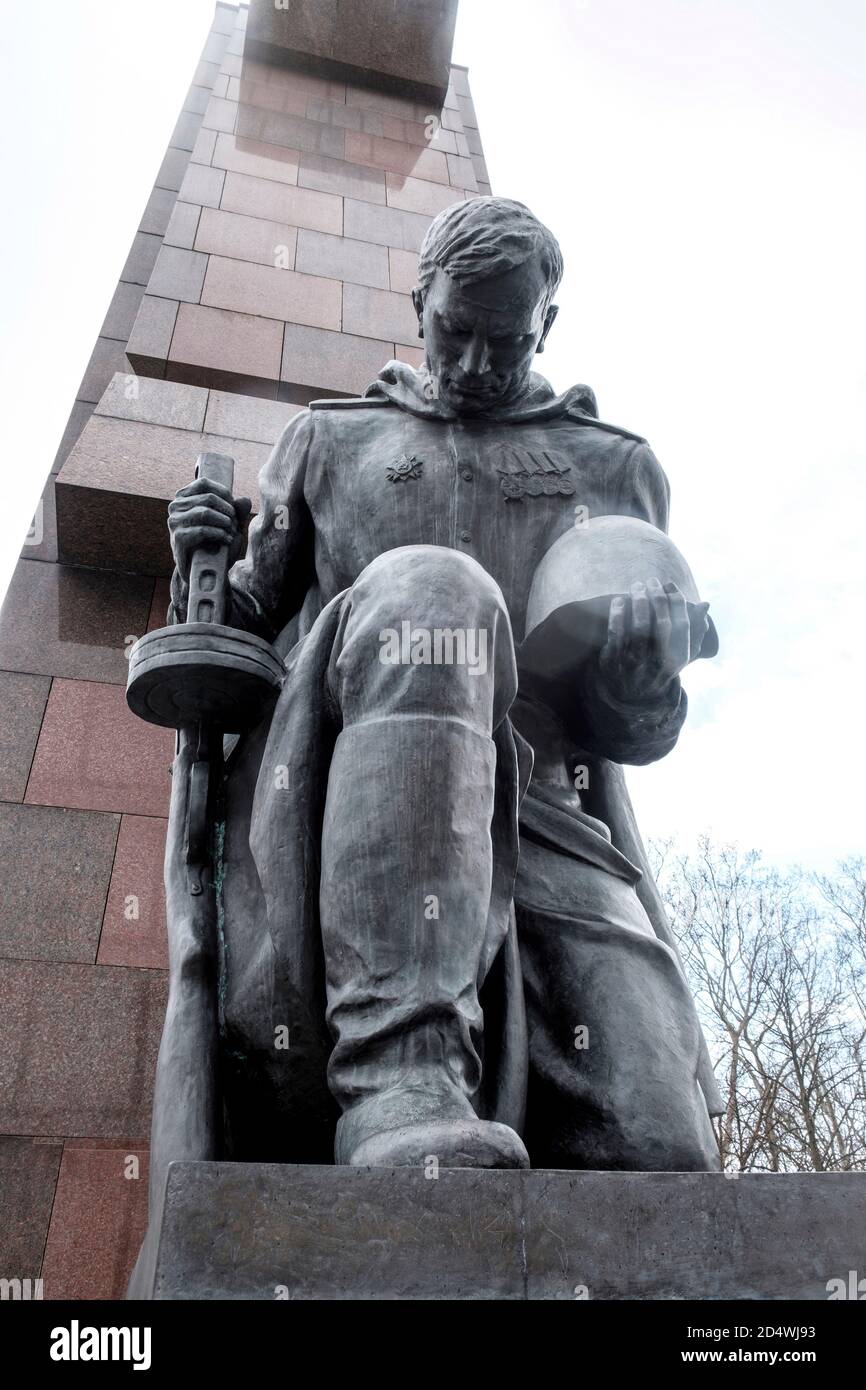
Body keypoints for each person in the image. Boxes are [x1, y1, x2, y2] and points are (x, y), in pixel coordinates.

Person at [167, 196, 722, 1172]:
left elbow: (623, 731)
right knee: (436, 591)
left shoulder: (611, 467)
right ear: (418, 299)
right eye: (451, 331)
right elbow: (241, 637)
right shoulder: (329, 442)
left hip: (538, 812)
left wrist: (640, 681)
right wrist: (196, 570)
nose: (470, 364)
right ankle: (398, 1078)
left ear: (545, 327)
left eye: (502, 343)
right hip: (355, 798)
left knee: (654, 1145)